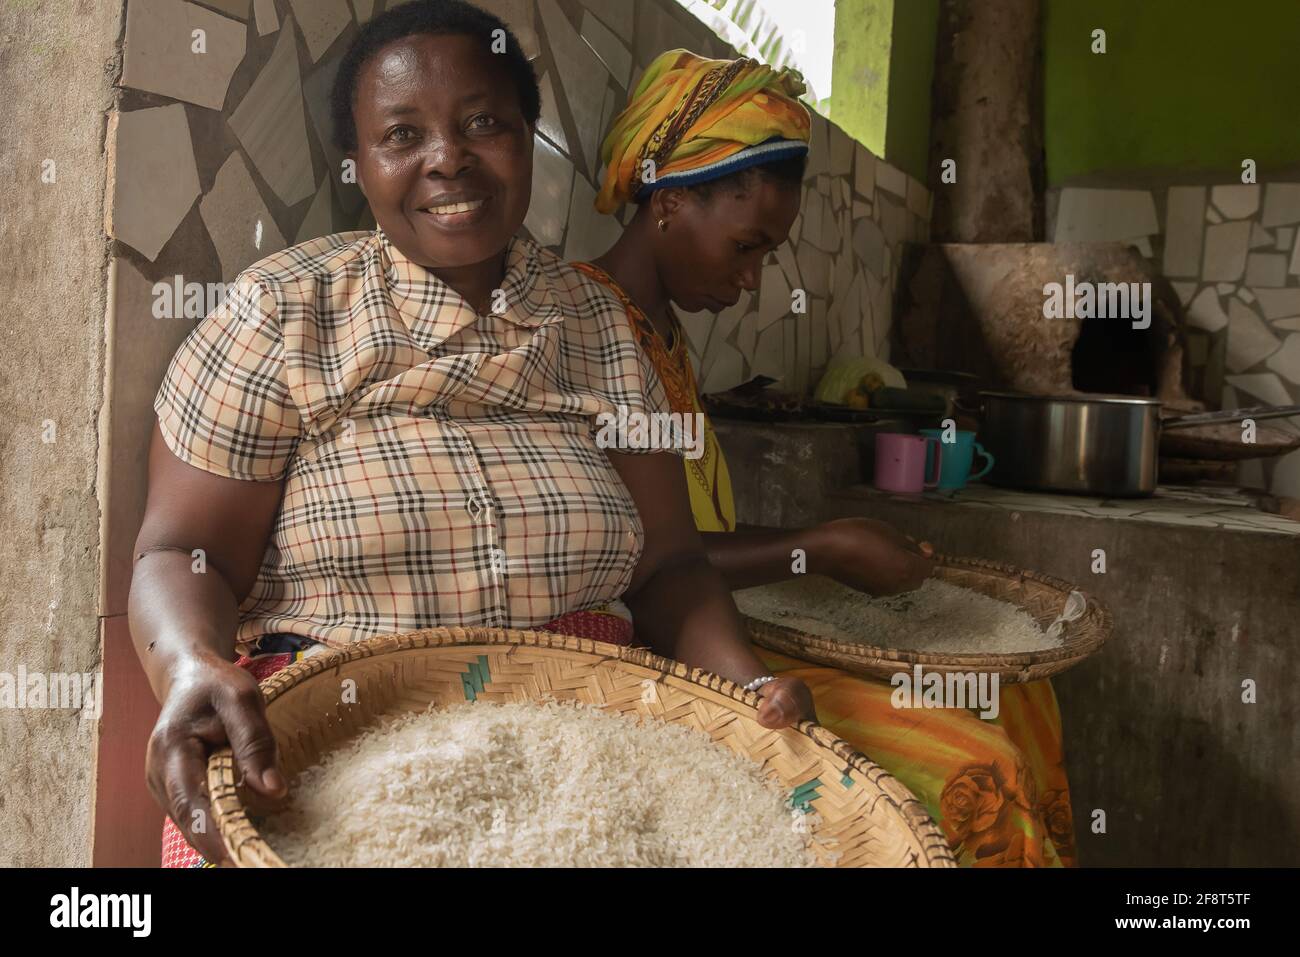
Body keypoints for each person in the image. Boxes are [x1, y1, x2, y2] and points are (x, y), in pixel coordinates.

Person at [131, 2, 812, 869]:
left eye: (484, 122)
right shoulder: (284, 311)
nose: (447, 157)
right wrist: (188, 664)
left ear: (529, 136)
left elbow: (671, 569)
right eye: (401, 133)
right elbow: (185, 551)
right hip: (331, 743)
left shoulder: (601, 326)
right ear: (361, 164)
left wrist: (747, 690)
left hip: (587, 748)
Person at [576, 49, 1078, 867]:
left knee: (1022, 700)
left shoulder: (659, 334)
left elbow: (693, 529)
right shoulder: (590, 329)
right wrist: (827, 546)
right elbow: (648, 560)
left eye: (766, 253)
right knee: (982, 763)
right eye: (748, 245)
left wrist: (826, 544)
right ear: (669, 203)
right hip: (658, 650)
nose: (752, 276)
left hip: (712, 623)